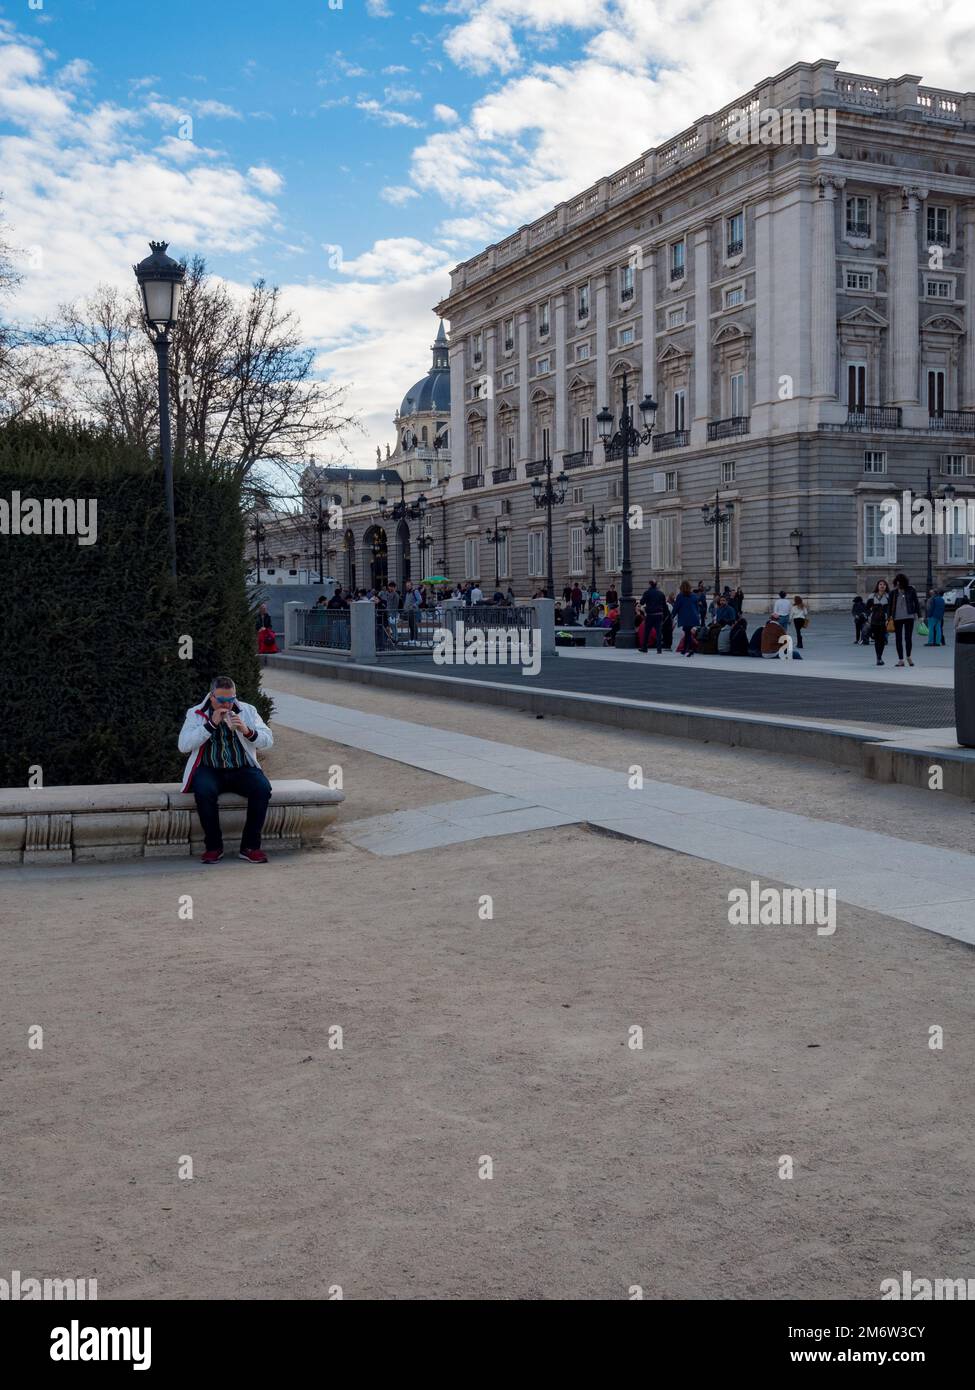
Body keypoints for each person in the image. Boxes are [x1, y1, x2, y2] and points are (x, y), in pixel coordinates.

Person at [178, 675, 274, 865]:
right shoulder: (196, 713)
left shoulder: (247, 710)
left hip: (241, 768)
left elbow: (268, 740)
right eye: (222, 700)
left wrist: (247, 731)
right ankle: (214, 847)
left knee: (262, 789)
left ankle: (250, 847)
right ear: (212, 697)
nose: (228, 705)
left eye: (231, 699)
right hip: (210, 768)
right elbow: (184, 745)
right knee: (204, 791)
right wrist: (210, 724)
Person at [891, 572, 921, 667]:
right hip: (896, 618)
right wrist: (889, 617)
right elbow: (890, 606)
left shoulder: (911, 590)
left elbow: (916, 603)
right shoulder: (893, 592)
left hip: (909, 616)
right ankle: (900, 660)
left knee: (908, 638)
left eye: (900, 582)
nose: (898, 584)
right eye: (897, 582)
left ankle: (908, 656)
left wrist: (920, 615)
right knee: (898, 639)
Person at [866, 579, 891, 665]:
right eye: (880, 584)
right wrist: (868, 617)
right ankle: (878, 657)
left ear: (886, 586)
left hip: (884, 621)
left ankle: (880, 656)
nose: (882, 586)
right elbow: (866, 608)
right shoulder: (872, 596)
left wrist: (889, 619)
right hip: (874, 621)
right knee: (877, 640)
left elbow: (890, 609)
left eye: (884, 584)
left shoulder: (888, 596)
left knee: (883, 639)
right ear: (877, 586)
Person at [639, 580, 667, 654]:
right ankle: (659, 649)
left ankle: (645, 647)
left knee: (647, 631)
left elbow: (642, 602)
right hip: (659, 614)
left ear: (650, 585)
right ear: (656, 585)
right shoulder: (661, 593)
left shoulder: (647, 592)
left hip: (650, 614)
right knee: (658, 632)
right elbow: (664, 605)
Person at [673, 580, 700, 657]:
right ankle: (686, 649)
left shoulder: (680, 596)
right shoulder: (694, 595)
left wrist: (672, 615)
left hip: (685, 617)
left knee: (687, 633)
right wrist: (697, 615)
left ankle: (690, 649)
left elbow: (676, 607)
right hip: (693, 616)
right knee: (687, 632)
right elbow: (697, 607)